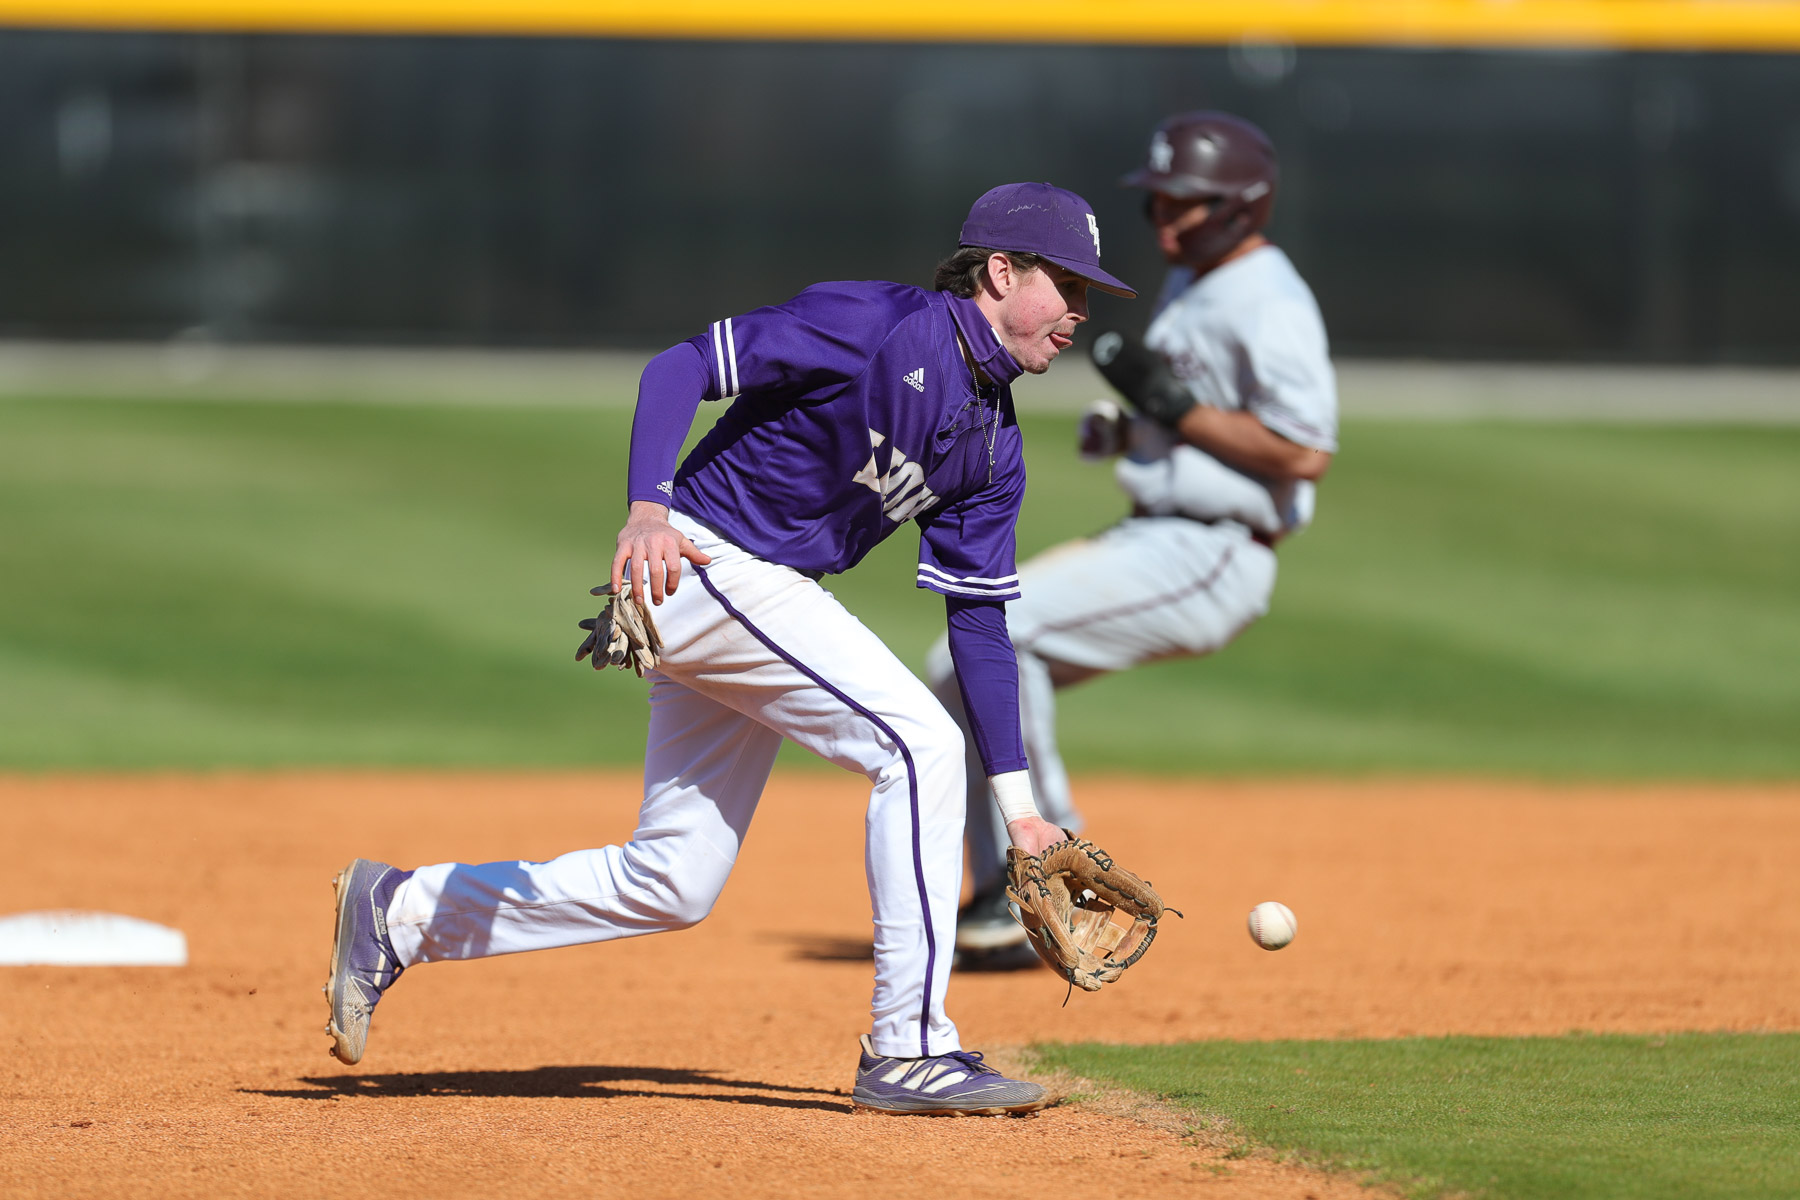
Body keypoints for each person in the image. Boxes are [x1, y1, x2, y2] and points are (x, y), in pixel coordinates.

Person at [323, 182, 1135, 1116]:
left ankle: (400, 912)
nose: (1078, 314)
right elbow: (677, 369)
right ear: (1000, 271)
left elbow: (981, 624)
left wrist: (1023, 814)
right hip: (703, 565)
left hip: (759, 594)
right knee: (916, 744)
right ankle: (910, 1048)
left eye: (1086, 296)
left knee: (671, 880)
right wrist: (647, 507)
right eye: (1066, 286)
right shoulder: (873, 322)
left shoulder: (994, 445)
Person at [931, 113, 1338, 962]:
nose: (1163, 219)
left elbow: (1304, 450)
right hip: (1159, 530)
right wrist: (1135, 432)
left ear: (1239, 206)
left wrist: (1177, 412)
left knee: (1003, 634)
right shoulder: (1199, 280)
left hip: (1213, 548)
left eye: (1182, 203)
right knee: (959, 665)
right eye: (1156, 200)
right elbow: (1193, 416)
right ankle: (1010, 891)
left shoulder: (1269, 298)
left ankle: (1053, 874)